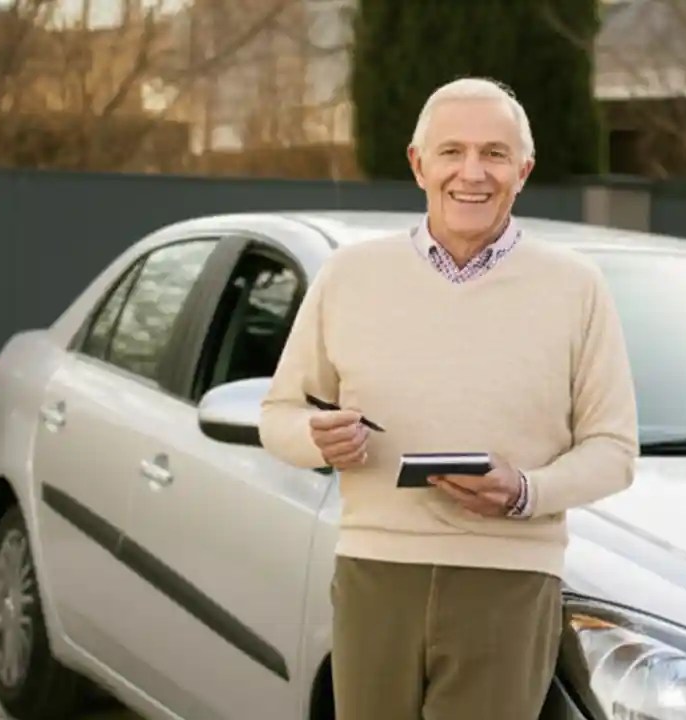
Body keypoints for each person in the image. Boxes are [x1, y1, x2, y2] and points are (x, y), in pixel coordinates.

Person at [258, 77, 639, 720]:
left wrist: (524, 492)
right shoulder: (350, 275)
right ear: (418, 164)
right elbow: (279, 415)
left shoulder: (576, 288)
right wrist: (314, 440)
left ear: (524, 170)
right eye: (452, 151)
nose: (472, 173)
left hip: (510, 583)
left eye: (494, 153)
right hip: (375, 571)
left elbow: (615, 451)